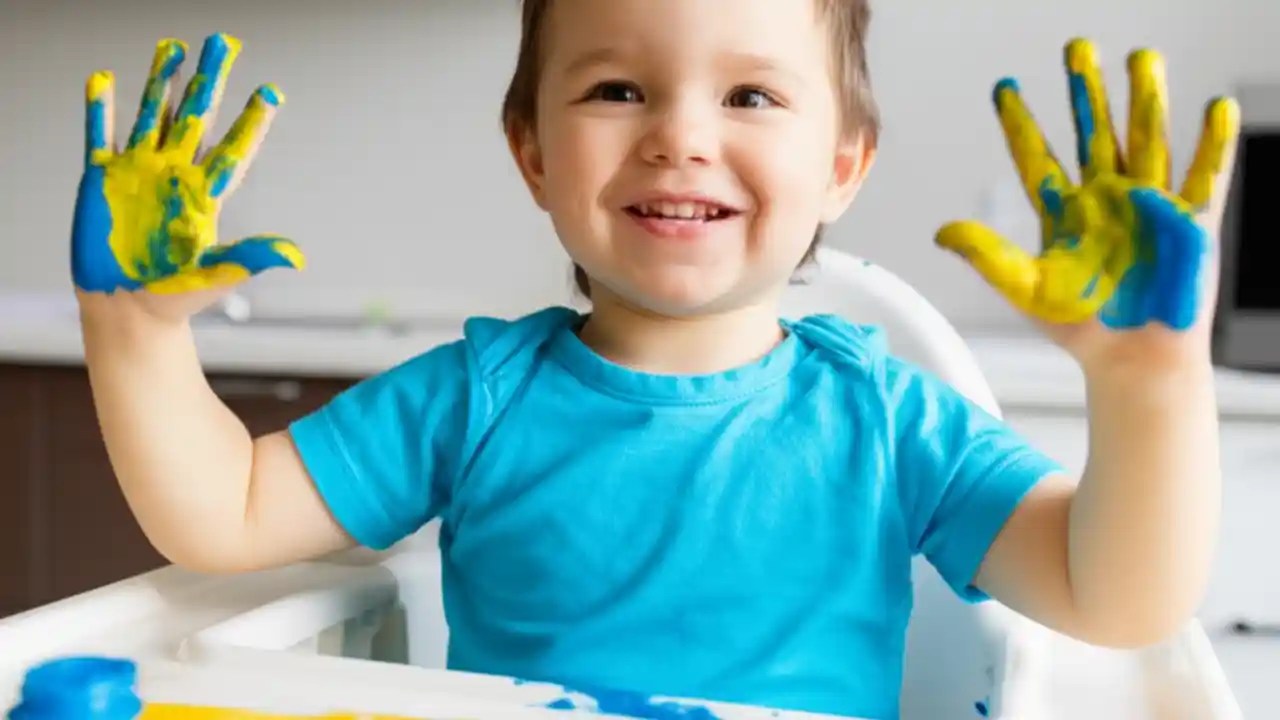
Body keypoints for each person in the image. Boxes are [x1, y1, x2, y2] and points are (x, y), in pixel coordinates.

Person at [69, 2, 1239, 718]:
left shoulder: (888, 420)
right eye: (617, 88)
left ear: (842, 162)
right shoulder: (475, 400)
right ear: (531, 151)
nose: (679, 132)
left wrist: (1145, 385)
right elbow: (220, 517)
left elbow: (1117, 598)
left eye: (749, 93)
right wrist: (134, 330)